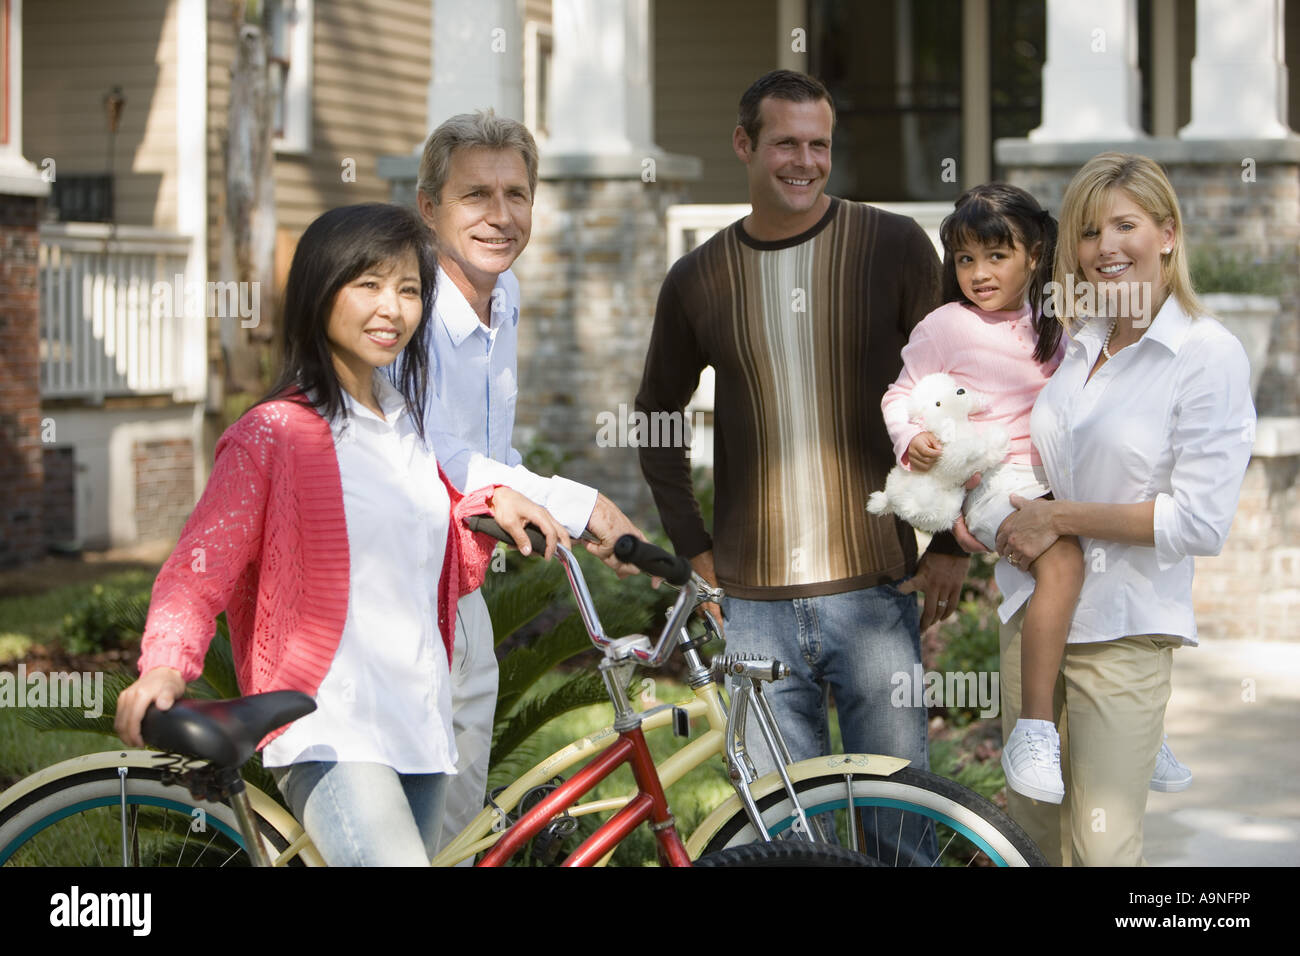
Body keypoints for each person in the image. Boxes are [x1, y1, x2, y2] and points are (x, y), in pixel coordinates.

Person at [113, 203, 570, 866]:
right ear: (320, 291)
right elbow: (197, 567)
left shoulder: (405, 423)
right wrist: (164, 664)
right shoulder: (271, 434)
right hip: (330, 726)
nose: (393, 308)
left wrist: (493, 501)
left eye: (409, 290)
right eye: (369, 285)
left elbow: (426, 552)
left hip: (418, 722)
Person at [635, 70, 969, 858]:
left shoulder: (891, 245)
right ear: (744, 144)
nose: (805, 161)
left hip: (874, 593)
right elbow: (655, 420)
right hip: (751, 610)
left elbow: (953, 396)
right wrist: (698, 557)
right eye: (785, 142)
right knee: (784, 840)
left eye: (819, 144)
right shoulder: (698, 279)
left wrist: (952, 541)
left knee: (899, 833)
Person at [991, 153, 1255, 865]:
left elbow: (1199, 521)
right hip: (1032, 626)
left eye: (1126, 225)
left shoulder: (1206, 355)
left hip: (1125, 635)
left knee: (1102, 853)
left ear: (1168, 233)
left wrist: (1062, 517)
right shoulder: (1079, 345)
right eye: (1087, 232)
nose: (1105, 247)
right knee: (1031, 848)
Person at [413, 109, 649, 854]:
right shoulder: (407, 305)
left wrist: (587, 512)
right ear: (430, 208)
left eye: (516, 194)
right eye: (475, 195)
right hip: (390, 587)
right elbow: (432, 449)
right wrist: (583, 504)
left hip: (460, 576)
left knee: (459, 792)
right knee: (407, 798)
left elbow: (491, 451)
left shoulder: (501, 299)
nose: (500, 215)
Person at [880, 183, 1081, 806]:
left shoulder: (1057, 319)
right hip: (992, 481)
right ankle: (1033, 730)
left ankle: (1133, 730)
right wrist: (912, 438)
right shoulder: (945, 325)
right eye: (965, 259)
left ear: (1035, 252)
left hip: (1058, 475)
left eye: (997, 256)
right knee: (1065, 560)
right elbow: (899, 393)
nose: (979, 273)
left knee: (1106, 561)